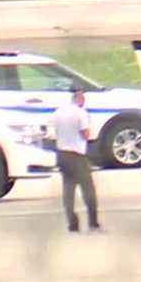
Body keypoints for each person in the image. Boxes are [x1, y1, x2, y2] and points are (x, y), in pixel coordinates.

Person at [52, 88, 100, 232]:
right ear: (78, 98)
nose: (84, 101)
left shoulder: (58, 112)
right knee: (88, 189)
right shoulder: (81, 113)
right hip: (77, 154)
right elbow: (85, 134)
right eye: (83, 98)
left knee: (68, 189)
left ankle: (72, 223)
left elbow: (52, 130)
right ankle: (93, 222)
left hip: (62, 153)